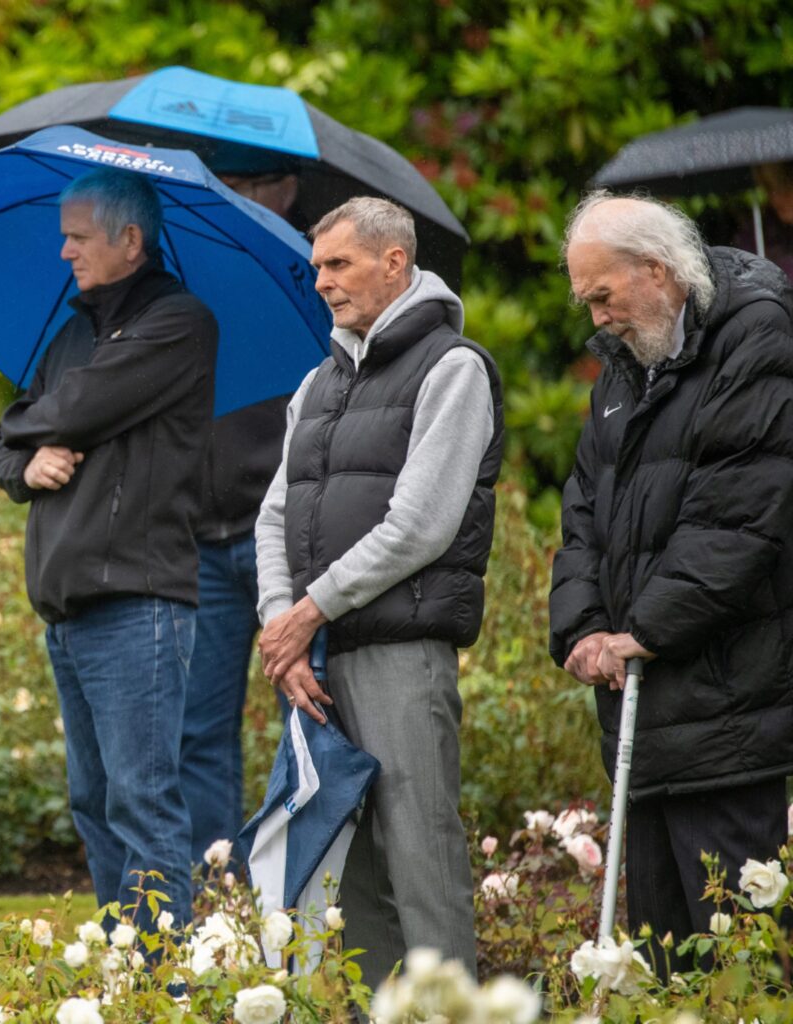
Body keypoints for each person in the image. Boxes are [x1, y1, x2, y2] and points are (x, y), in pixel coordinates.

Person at [253, 196, 502, 985]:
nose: (321, 281)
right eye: (316, 265)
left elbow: (421, 525)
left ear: (395, 262)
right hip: (316, 657)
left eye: (338, 264)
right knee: (345, 868)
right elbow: (271, 517)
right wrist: (281, 631)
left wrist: (305, 613)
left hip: (400, 650)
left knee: (419, 856)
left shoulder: (454, 368)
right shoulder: (313, 385)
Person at [551, 193, 793, 967]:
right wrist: (583, 627)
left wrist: (644, 630)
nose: (596, 318)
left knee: (737, 959)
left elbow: (738, 514)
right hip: (639, 701)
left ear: (656, 271)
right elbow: (583, 506)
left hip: (728, 703)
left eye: (602, 295)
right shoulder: (627, 364)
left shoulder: (755, 333)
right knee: (662, 959)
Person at [0, 169, 217, 932]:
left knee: (141, 801)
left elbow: (78, 406)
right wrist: (27, 463)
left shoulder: (178, 322)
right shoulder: (72, 330)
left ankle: (166, 990)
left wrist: (38, 426)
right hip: (69, 605)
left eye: (78, 237)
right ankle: (124, 968)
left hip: (137, 601)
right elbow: (8, 434)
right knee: (94, 802)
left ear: (130, 241)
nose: (63, 252)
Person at [180, 169, 298, 864]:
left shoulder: (305, 280)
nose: (245, 193)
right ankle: (217, 889)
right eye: (232, 180)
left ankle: (296, 883)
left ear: (289, 189)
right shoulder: (187, 282)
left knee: (304, 716)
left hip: (278, 531)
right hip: (197, 535)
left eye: (260, 181)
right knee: (198, 730)